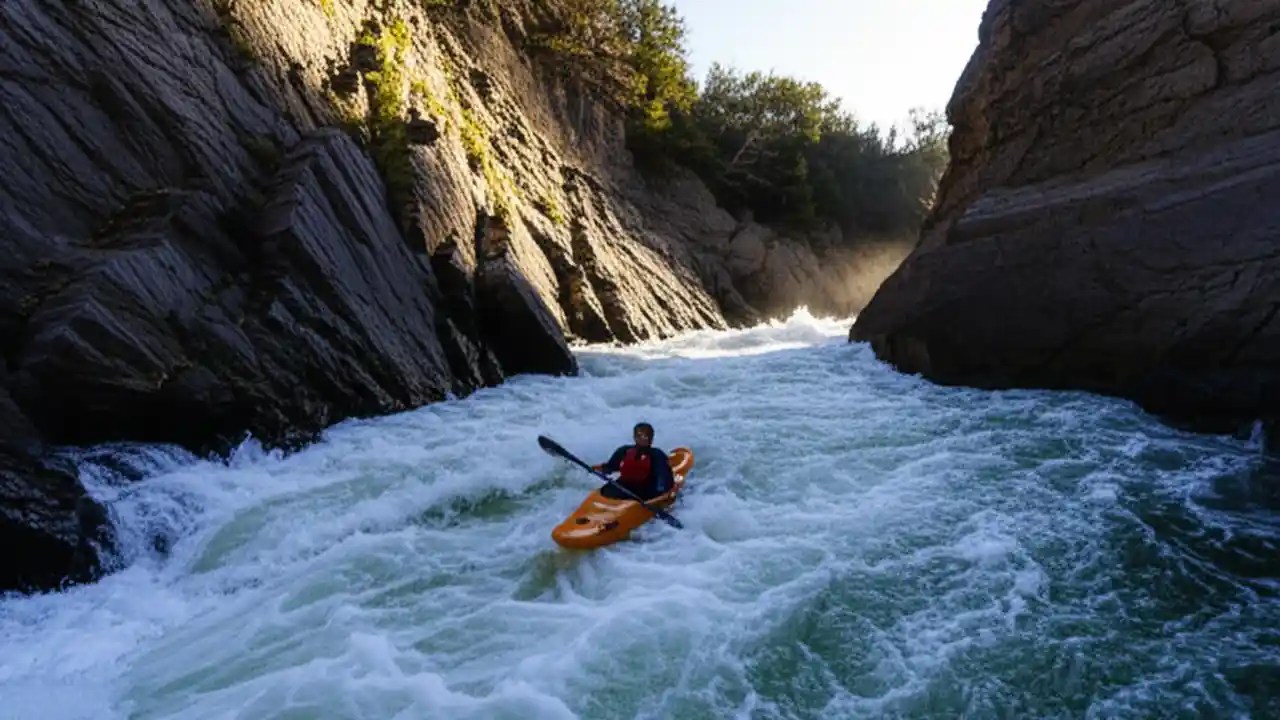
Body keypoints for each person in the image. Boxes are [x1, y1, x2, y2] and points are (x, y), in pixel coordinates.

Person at [592, 422, 674, 501]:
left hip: (646, 491)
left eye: (647, 436)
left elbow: (665, 477)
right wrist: (594, 469)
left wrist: (665, 492)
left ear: (651, 438)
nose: (644, 438)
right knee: (605, 490)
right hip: (625, 487)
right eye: (640, 435)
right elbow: (610, 467)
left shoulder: (657, 455)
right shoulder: (624, 450)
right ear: (634, 437)